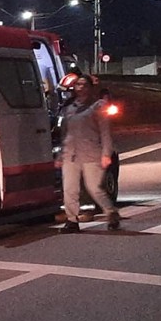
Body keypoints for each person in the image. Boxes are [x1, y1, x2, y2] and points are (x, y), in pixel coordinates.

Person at [58, 72, 119, 231]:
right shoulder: (69, 108)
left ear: (91, 88)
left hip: (91, 153)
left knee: (93, 188)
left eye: (84, 84)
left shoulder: (98, 106)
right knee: (69, 189)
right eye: (78, 84)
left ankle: (111, 212)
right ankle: (72, 220)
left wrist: (106, 153)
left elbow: (105, 131)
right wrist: (60, 155)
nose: (81, 87)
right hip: (71, 154)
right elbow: (65, 133)